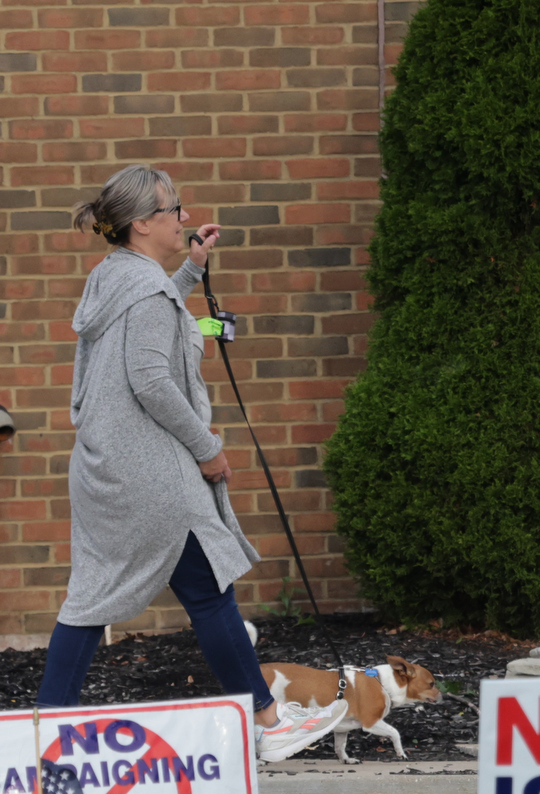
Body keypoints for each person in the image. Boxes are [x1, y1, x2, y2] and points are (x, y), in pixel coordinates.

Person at [40, 164, 345, 761]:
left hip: (111, 469)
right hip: (152, 474)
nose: (184, 217)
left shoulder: (116, 278)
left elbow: (152, 318)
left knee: (102, 597)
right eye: (173, 209)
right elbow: (152, 379)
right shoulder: (143, 290)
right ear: (143, 223)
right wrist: (208, 450)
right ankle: (266, 721)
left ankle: (48, 730)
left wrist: (191, 270)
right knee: (204, 595)